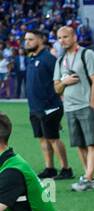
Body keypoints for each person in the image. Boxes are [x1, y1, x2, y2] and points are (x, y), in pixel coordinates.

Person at [53, 25, 94, 194]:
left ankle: (88, 178)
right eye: (59, 38)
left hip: (86, 106)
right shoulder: (60, 61)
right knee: (80, 145)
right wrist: (64, 82)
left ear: (74, 37)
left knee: (92, 143)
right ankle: (89, 177)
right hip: (69, 107)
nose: (62, 41)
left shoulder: (86, 54)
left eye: (65, 37)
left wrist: (92, 105)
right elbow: (57, 88)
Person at [23, 30, 70, 180]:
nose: (27, 42)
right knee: (42, 139)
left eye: (30, 39)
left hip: (50, 106)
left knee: (53, 138)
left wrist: (59, 99)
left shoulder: (49, 59)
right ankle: (50, 168)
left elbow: (61, 80)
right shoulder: (31, 58)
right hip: (35, 107)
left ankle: (66, 169)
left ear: (40, 40)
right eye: (26, 39)